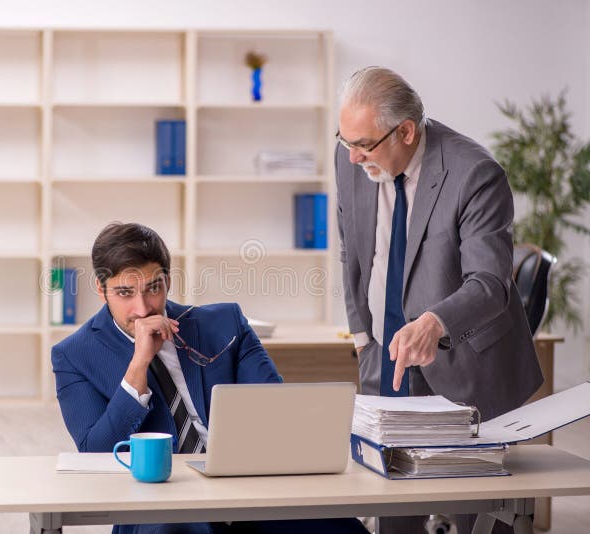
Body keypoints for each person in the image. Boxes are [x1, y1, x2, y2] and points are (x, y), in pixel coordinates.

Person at [52, 222, 367, 534]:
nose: (143, 307)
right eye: (125, 292)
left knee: (341, 529)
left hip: (247, 489)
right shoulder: (74, 355)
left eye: (153, 288)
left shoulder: (226, 323)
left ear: (168, 280)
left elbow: (275, 412)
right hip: (160, 506)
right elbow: (97, 452)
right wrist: (139, 365)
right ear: (100, 288)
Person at [334, 66, 543, 533]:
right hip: (389, 355)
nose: (352, 157)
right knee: (394, 511)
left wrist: (434, 323)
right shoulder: (350, 155)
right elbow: (351, 248)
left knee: (481, 516)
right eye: (346, 141)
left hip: (470, 363)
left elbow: (490, 282)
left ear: (406, 131)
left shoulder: (475, 173)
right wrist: (364, 337)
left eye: (364, 144)